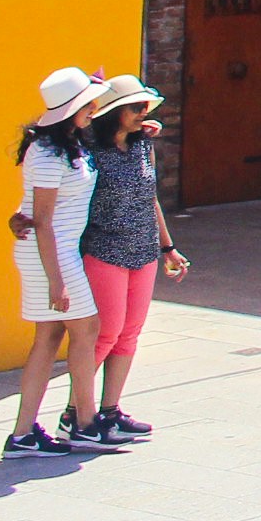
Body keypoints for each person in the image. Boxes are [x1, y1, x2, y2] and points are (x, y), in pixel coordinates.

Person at [74, 77, 186, 445]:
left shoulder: (143, 147)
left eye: (145, 108)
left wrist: (168, 248)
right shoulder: (89, 151)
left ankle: (110, 410)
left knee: (128, 335)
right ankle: (77, 413)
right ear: (113, 113)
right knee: (105, 334)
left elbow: (150, 199)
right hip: (105, 249)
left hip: (143, 251)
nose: (144, 114)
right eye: (135, 108)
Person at [6, 67, 108, 457]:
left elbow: (33, 210)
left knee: (49, 338)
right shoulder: (49, 152)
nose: (93, 109)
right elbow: (43, 219)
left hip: (52, 251)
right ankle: (84, 423)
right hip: (52, 254)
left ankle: (23, 434)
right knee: (86, 330)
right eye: (86, 103)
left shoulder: (64, 146)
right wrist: (56, 282)